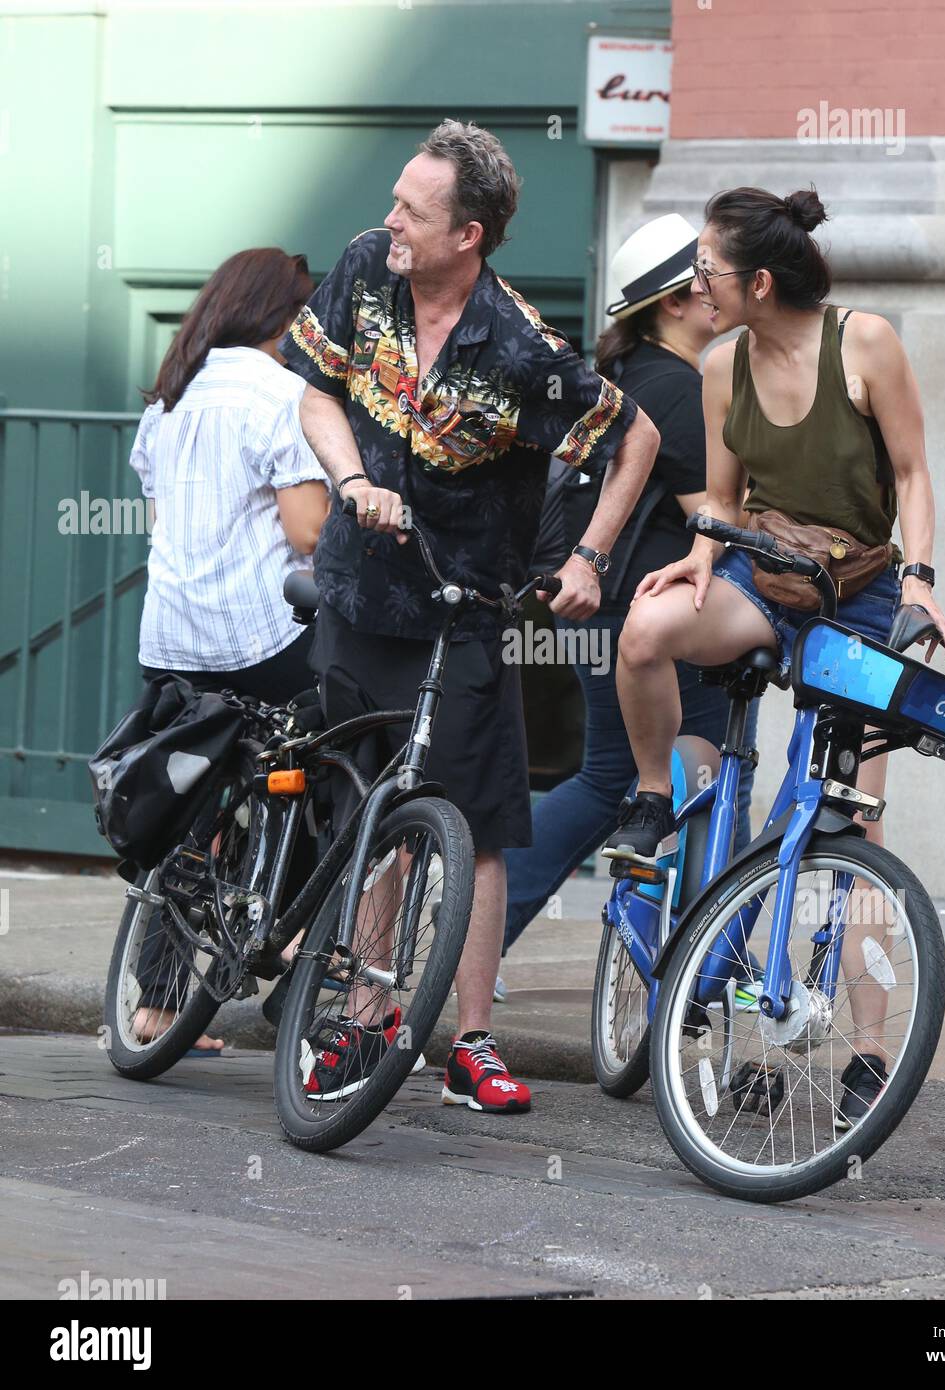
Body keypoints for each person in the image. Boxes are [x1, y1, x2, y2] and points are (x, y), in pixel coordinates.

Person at [279, 120, 659, 1113]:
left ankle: (471, 1042)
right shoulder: (367, 268)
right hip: (360, 593)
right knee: (367, 810)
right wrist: (351, 476)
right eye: (398, 199)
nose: (390, 218)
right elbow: (313, 393)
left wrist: (588, 558)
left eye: (414, 207)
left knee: (478, 827)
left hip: (461, 610)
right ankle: (362, 1018)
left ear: (470, 235)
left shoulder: (521, 348)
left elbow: (636, 437)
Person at [602, 185, 945, 1127]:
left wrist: (918, 583)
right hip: (763, 579)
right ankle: (650, 799)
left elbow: (916, 472)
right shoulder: (722, 366)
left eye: (708, 271)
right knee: (643, 634)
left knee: (856, 825)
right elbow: (721, 500)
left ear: (759, 281)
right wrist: (696, 557)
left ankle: (869, 1051)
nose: (696, 286)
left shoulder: (865, 344)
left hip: (862, 592)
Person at [499, 214, 759, 972]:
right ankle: (713, 970)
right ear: (672, 302)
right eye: (702, 284)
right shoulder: (678, 390)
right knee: (707, 777)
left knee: (612, 777)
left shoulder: (629, 379)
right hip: (654, 623)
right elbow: (712, 518)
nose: (716, 294)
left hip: (605, 613)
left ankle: (478, 942)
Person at [129, 247, 331, 1053]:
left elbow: (160, 526)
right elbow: (307, 532)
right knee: (340, 761)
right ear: (283, 318)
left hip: (173, 636)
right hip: (261, 637)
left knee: (191, 811)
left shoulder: (168, 402)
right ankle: (287, 934)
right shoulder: (284, 397)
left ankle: (157, 1003)